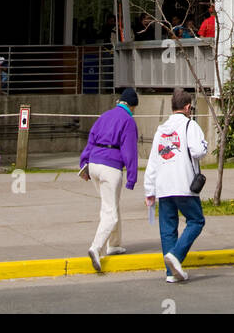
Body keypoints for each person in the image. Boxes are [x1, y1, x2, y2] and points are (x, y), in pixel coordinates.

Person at [144, 88, 208, 283]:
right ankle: (177, 255)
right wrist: (204, 145)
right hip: (184, 184)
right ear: (188, 107)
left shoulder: (161, 130)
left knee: (168, 228)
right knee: (196, 221)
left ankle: (171, 273)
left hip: (163, 186)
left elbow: (153, 161)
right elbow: (198, 151)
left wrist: (149, 190)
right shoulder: (190, 126)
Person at [80, 86, 139, 272]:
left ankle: (114, 245)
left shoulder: (104, 116)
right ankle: (96, 248)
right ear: (132, 105)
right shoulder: (128, 121)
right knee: (110, 213)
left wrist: (84, 163)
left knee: (110, 204)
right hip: (111, 167)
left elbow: (91, 139)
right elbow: (130, 151)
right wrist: (132, 177)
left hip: (94, 163)